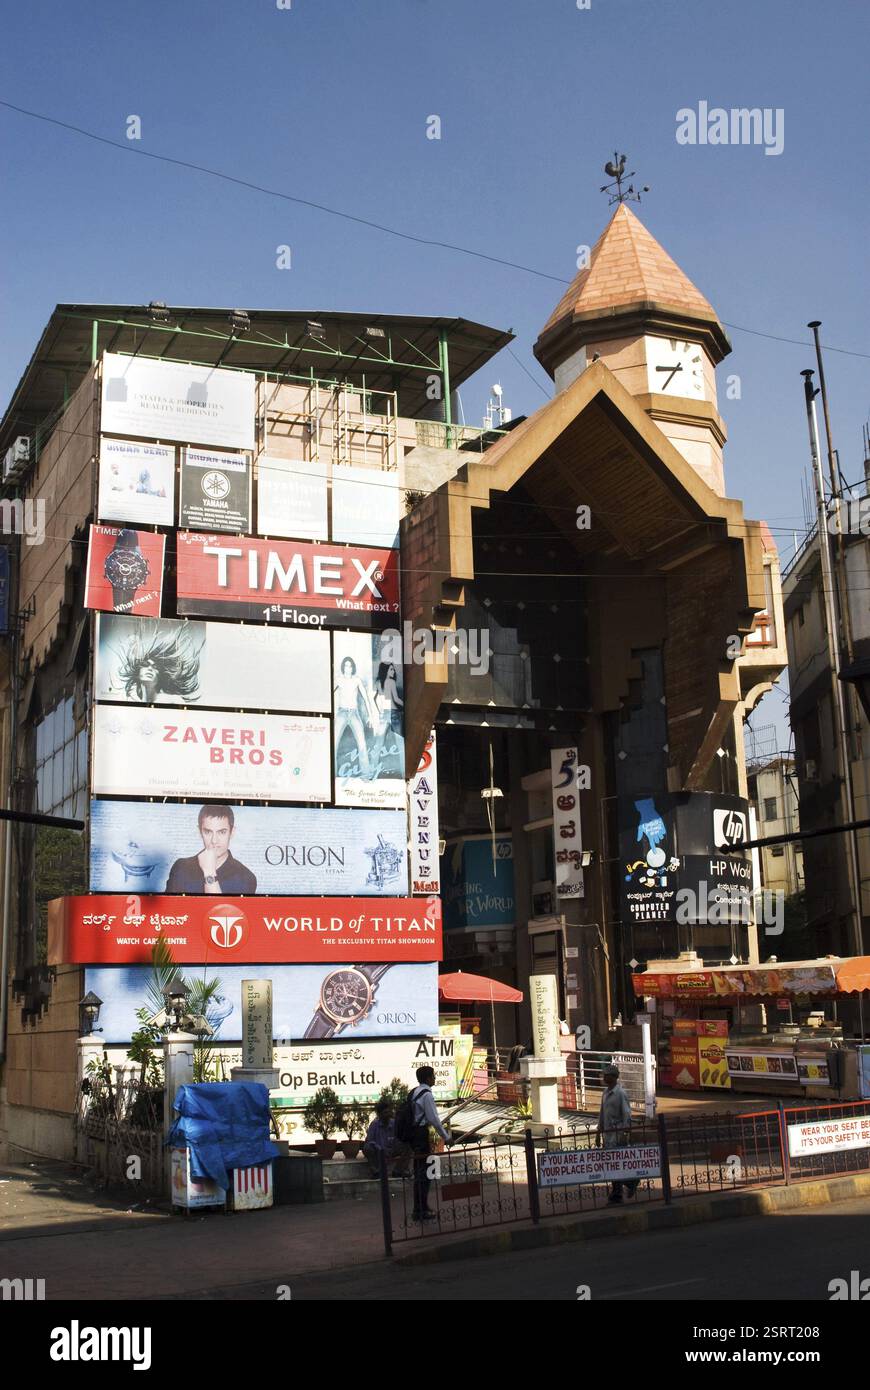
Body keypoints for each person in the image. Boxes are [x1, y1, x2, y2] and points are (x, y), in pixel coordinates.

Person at [165, 804, 257, 894]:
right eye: (208, 832)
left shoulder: (246, 877)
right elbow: (169, 908)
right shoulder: (181, 867)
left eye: (222, 832)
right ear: (200, 832)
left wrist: (209, 872)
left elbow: (222, 909)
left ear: (232, 832)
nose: (214, 840)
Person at [406, 1065, 452, 1222]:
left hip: (414, 1134)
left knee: (420, 1172)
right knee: (424, 1174)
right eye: (433, 1076)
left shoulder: (415, 1092)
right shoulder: (427, 1095)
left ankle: (420, 1207)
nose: (435, 1078)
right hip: (421, 1134)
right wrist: (446, 1136)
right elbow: (433, 1119)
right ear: (427, 1078)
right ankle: (421, 1209)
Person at [596, 1063, 638, 1204]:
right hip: (607, 1134)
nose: (604, 1077)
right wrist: (598, 1132)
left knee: (616, 1164)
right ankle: (619, 1190)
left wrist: (624, 1132)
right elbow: (602, 1113)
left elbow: (626, 1114)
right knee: (611, 1164)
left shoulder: (620, 1094)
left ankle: (622, 1189)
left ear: (613, 1077)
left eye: (606, 1075)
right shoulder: (605, 1092)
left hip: (617, 1133)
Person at [334, 655, 377, 778]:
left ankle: (366, 774)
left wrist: (370, 716)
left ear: (353, 668)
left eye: (350, 665)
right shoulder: (338, 679)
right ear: (343, 667)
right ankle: (333, 775)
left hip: (354, 714)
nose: (348, 668)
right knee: (334, 743)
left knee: (362, 744)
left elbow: (366, 699)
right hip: (342, 713)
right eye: (346, 665)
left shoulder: (356, 680)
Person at [363, 1101, 406, 1177]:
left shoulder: (394, 1123)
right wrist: (380, 1149)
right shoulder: (374, 1124)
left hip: (391, 1150)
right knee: (367, 1147)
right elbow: (370, 1141)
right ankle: (375, 1171)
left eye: (388, 1112)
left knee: (407, 1146)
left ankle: (398, 1170)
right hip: (379, 1151)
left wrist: (393, 1148)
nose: (388, 1114)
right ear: (379, 1114)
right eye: (385, 1113)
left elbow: (399, 1139)